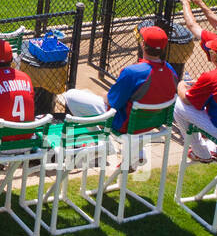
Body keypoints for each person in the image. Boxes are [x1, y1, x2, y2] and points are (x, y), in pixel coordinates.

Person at [64, 25, 178, 169]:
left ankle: (102, 145)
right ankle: (137, 152)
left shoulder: (133, 72)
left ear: (143, 45)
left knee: (71, 96)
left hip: (125, 126)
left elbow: (111, 102)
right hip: (151, 125)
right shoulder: (171, 71)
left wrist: (100, 94)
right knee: (132, 107)